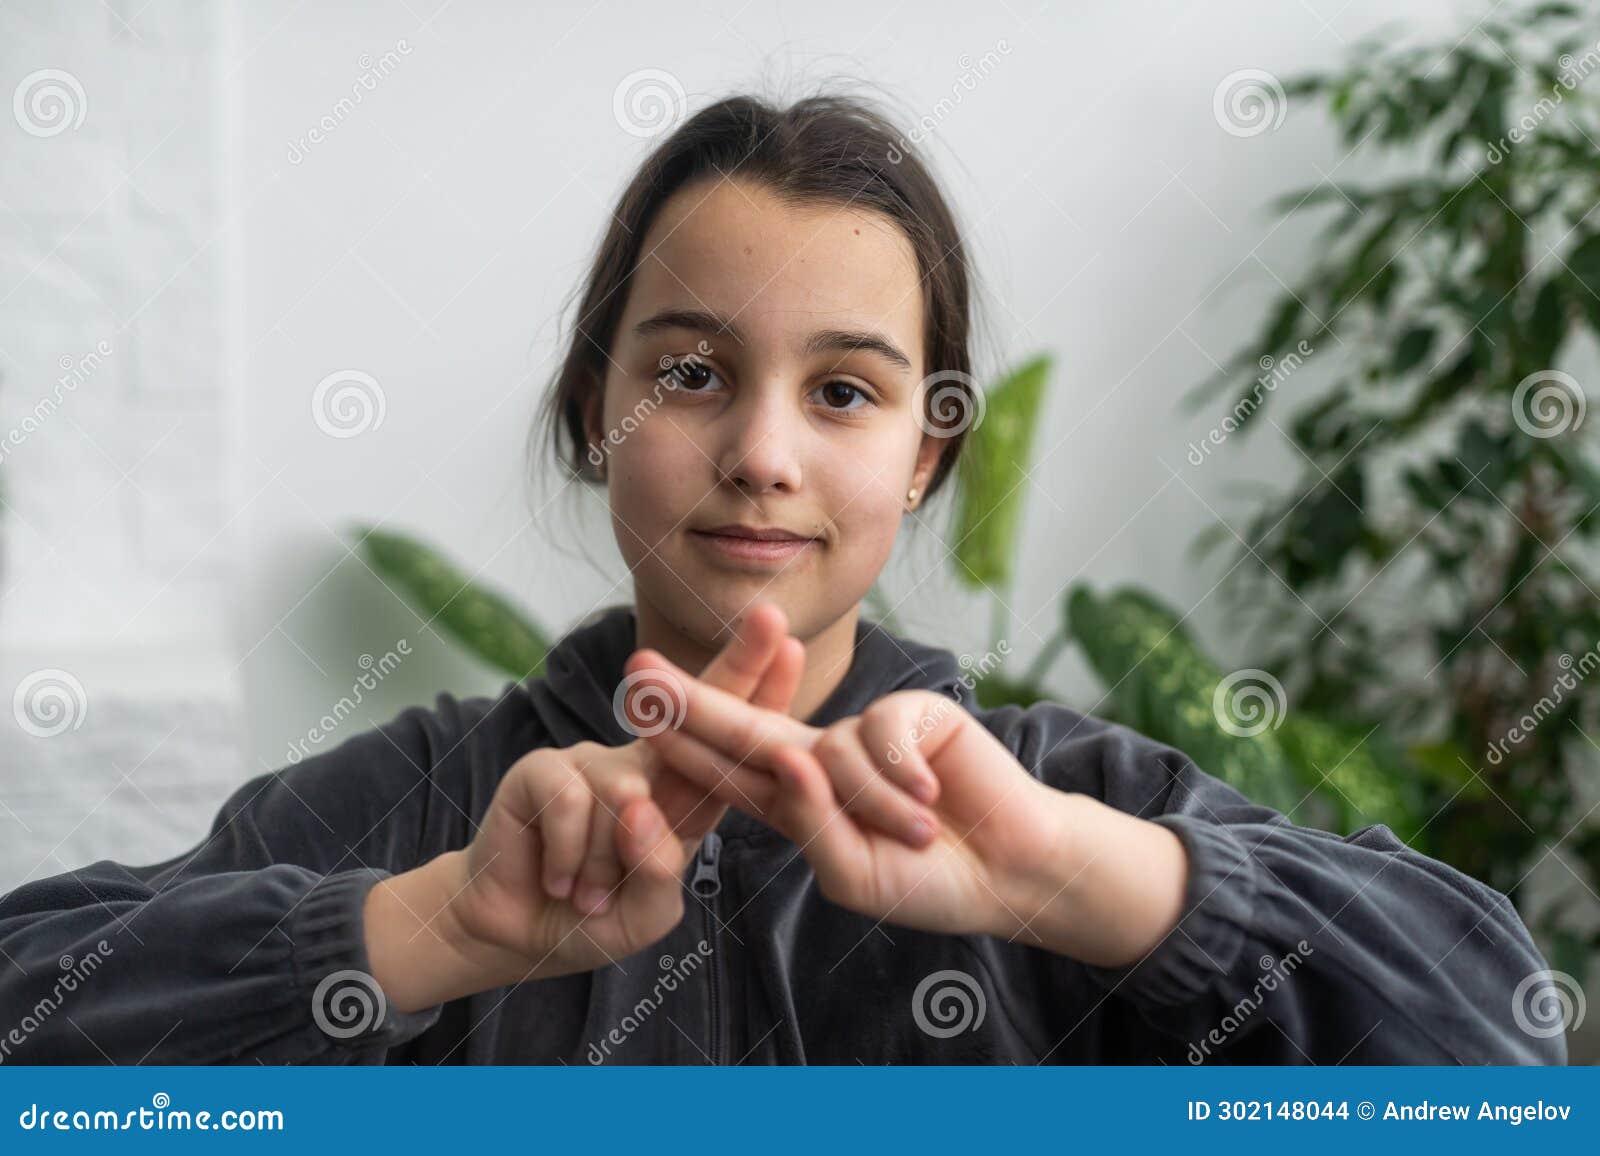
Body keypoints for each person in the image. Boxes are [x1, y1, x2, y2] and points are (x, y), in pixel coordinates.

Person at [0, 92, 1564, 1066]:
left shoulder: (1064, 802)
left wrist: (1084, 887)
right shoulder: (420, 810)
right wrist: (434, 933)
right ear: (591, 414)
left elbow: (1509, 1047)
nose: (762, 453)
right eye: (691, 374)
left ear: (927, 454)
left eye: (843, 392)